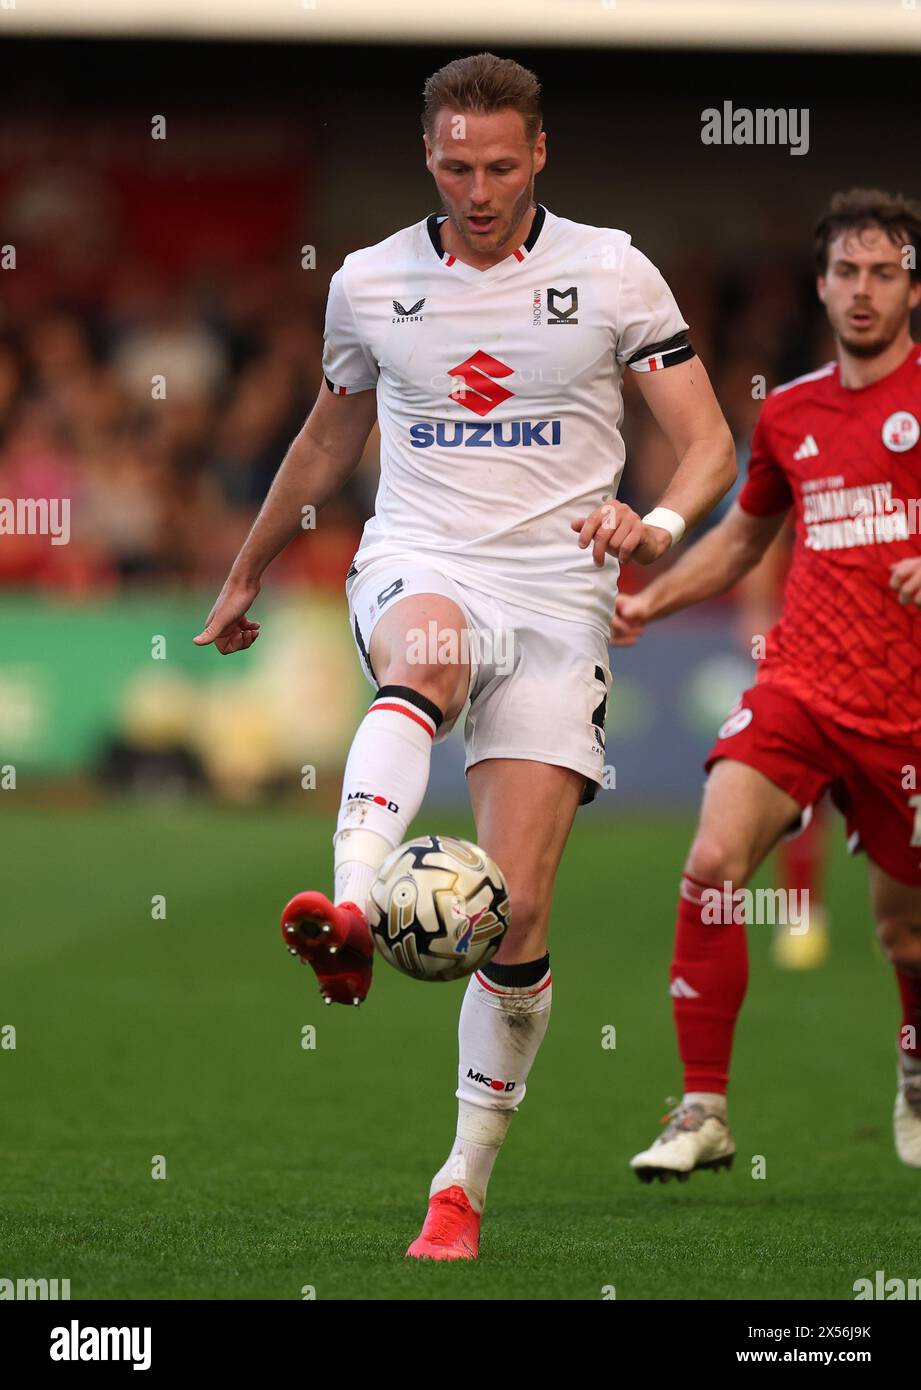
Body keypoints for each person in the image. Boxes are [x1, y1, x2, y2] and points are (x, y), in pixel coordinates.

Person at [194, 51, 735, 1253]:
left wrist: (652, 524)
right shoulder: (373, 282)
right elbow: (326, 445)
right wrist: (247, 568)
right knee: (426, 653)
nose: (477, 189)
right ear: (426, 157)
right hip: (423, 557)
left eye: (498, 166)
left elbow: (706, 444)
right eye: (454, 166)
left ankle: (461, 1182)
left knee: (520, 907)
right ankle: (347, 908)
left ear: (540, 155)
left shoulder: (610, 271)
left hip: (559, 596)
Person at [613, 189, 921, 1179]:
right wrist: (651, 600)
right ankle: (703, 1107)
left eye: (883, 271)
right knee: (711, 858)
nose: (863, 290)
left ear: (911, 284)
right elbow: (744, 537)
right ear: (822, 286)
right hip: (801, 679)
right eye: (846, 272)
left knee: (901, 927)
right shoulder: (789, 413)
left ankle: (915, 1063)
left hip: (909, 707)